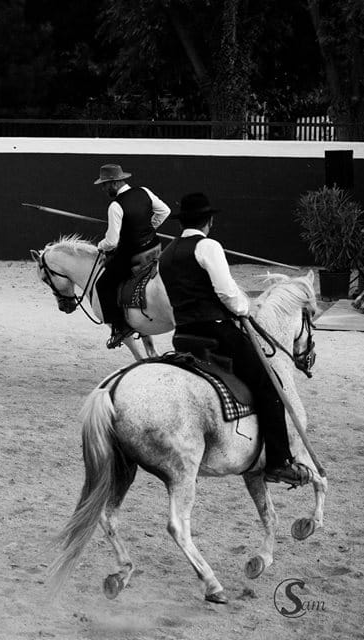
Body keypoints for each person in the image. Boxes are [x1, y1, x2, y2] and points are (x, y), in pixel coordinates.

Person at [159, 192, 312, 487]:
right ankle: (279, 462)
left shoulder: (166, 254)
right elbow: (227, 292)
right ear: (209, 221)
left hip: (183, 336)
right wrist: (243, 308)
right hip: (217, 332)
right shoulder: (208, 246)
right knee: (271, 386)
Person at [92, 164, 171, 348]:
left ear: (113, 183)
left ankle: (120, 327)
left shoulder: (115, 205)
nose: (104, 189)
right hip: (155, 247)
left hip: (134, 254)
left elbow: (111, 242)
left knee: (102, 284)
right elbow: (165, 211)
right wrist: (149, 227)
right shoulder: (144, 191)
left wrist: (100, 245)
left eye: (104, 185)